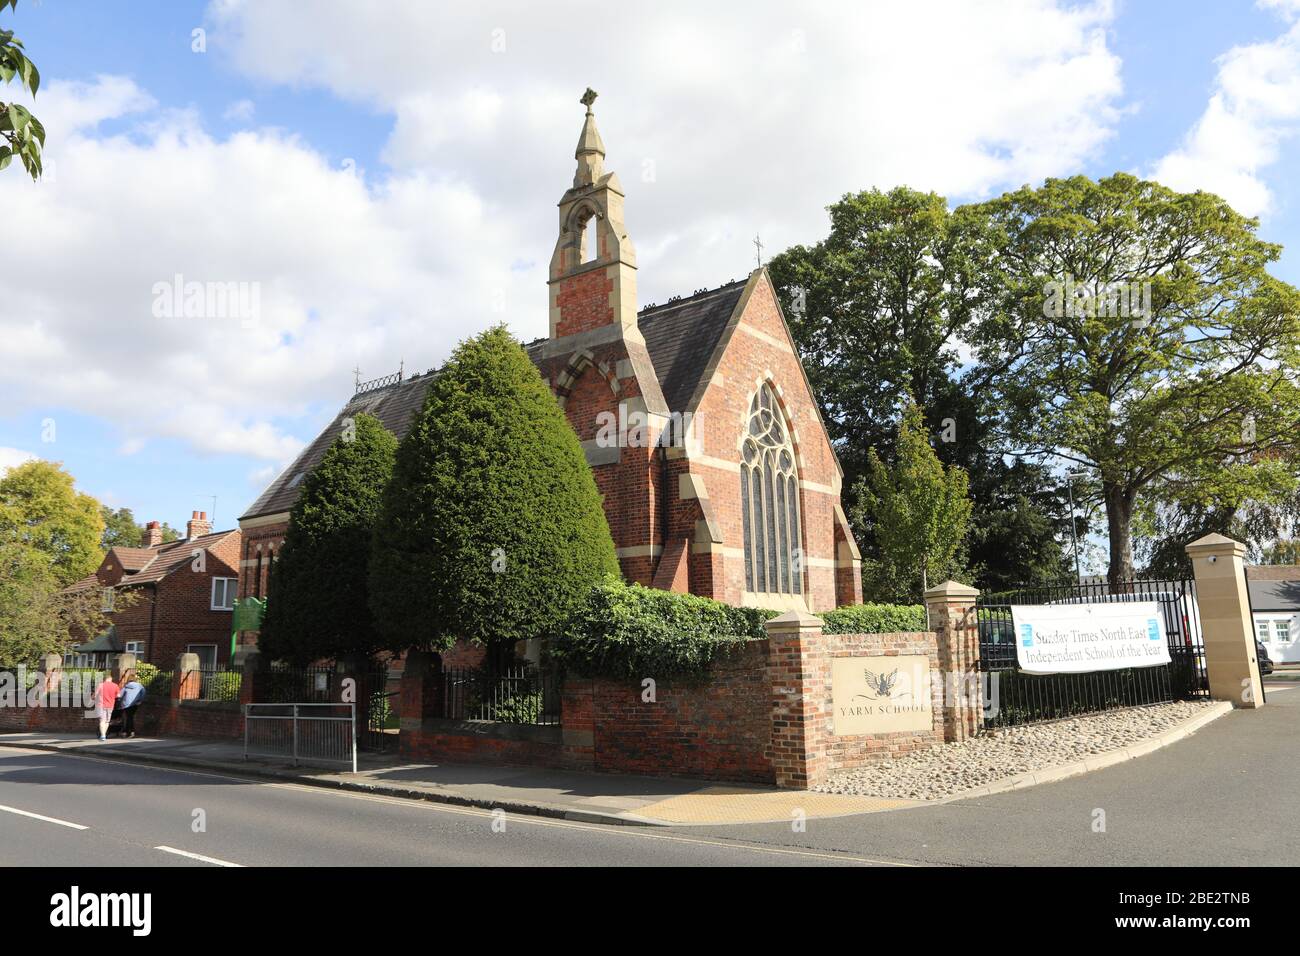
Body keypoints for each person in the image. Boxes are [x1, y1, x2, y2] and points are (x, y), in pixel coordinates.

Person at [117, 672, 146, 738]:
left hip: (126, 704)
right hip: (135, 704)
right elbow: (143, 693)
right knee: (130, 717)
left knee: (128, 717)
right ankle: (130, 732)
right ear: (135, 679)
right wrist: (140, 700)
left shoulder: (126, 686)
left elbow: (120, 695)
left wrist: (119, 701)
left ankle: (128, 732)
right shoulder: (139, 685)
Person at [96, 673, 121, 741]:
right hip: (110, 705)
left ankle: (103, 735)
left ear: (104, 679)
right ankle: (104, 735)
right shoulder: (115, 686)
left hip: (101, 705)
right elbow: (118, 696)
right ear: (111, 679)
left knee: (102, 720)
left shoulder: (101, 685)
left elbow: (95, 695)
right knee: (107, 721)